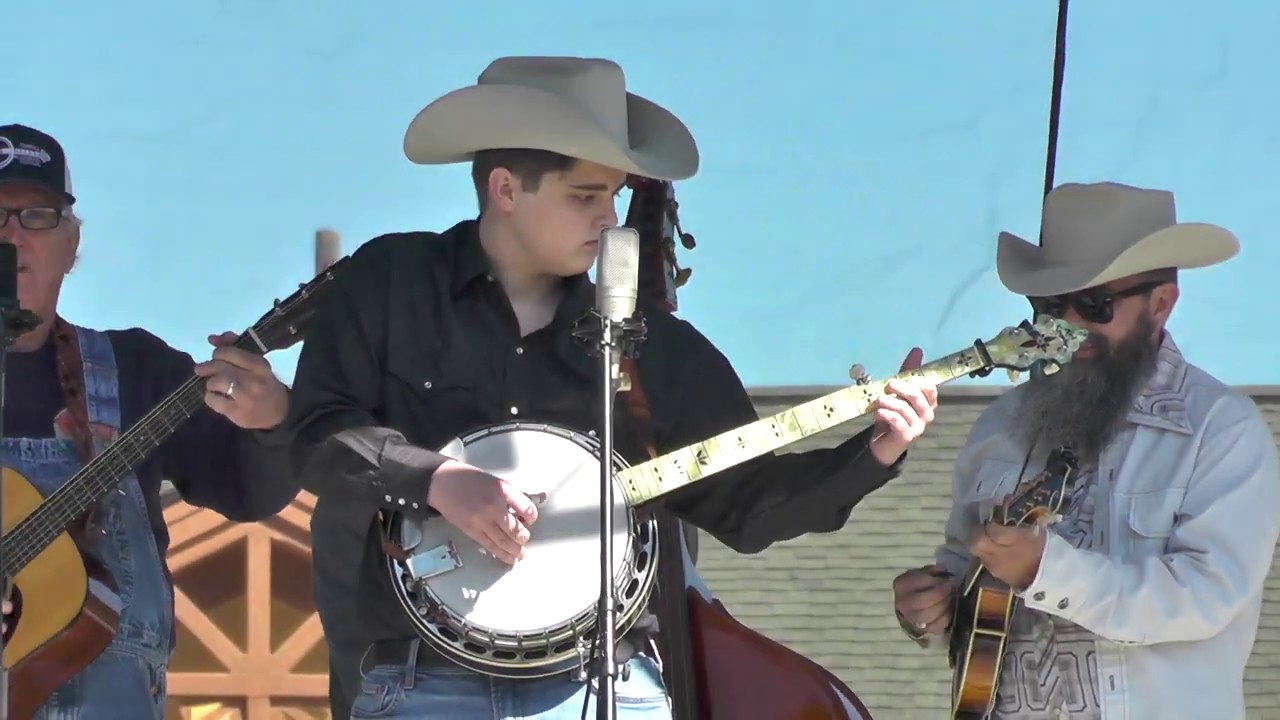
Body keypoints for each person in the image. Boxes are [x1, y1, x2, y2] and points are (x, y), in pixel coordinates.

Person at [286, 56, 940, 719]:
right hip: (424, 686)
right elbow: (314, 432)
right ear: (506, 189)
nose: (609, 218)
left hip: (606, 687)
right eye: (585, 195)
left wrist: (876, 451)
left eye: (615, 195)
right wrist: (437, 480)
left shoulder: (654, 345)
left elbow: (746, 507)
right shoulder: (391, 282)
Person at [891, 181, 1280, 720]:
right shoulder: (999, 426)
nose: (1068, 326)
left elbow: (1204, 596)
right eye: (1051, 305)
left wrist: (1047, 570)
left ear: (1161, 303)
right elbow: (967, 582)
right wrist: (929, 608)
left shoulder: (1221, 429)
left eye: (1095, 304)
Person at [0, 123, 297, 719]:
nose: (10, 238)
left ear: (70, 245)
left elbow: (249, 491)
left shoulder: (140, 371)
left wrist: (272, 422)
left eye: (35, 216)